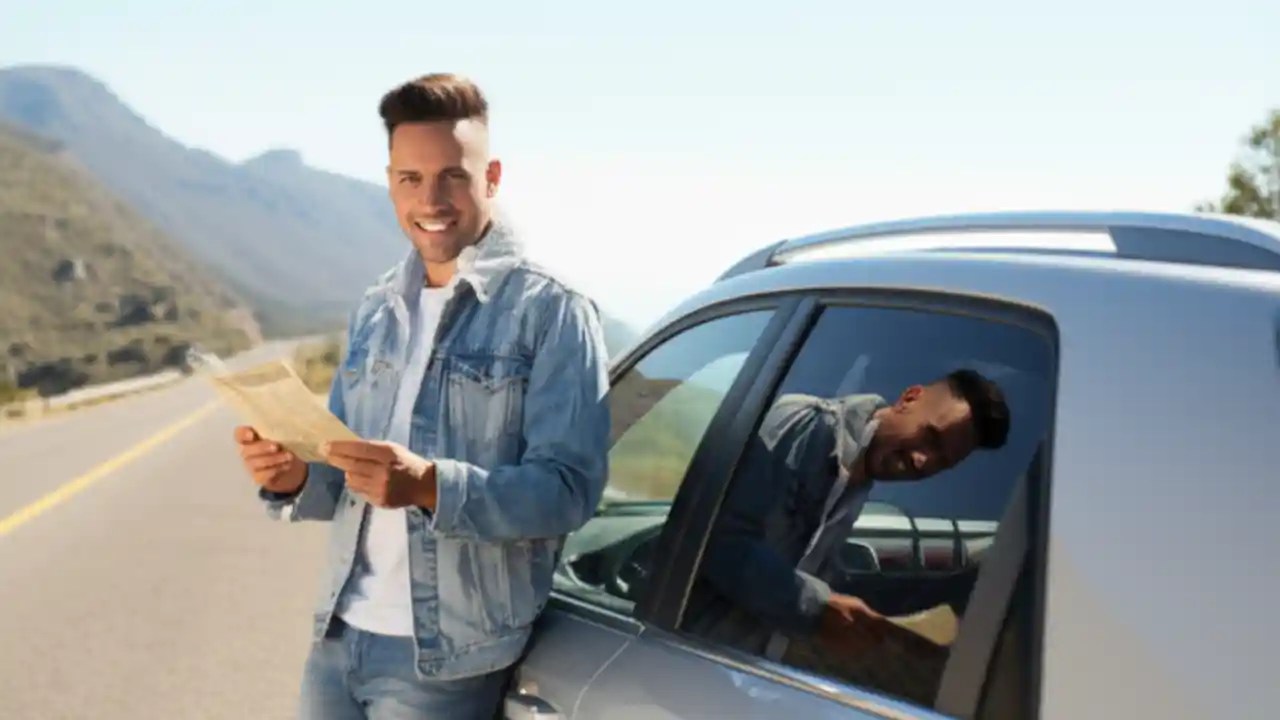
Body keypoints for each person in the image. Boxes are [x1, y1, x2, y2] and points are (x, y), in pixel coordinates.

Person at [232, 73, 611, 720]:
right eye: (411, 178)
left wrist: (432, 485)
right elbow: (341, 474)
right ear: (390, 183)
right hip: (339, 638)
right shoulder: (379, 308)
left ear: (490, 177)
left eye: (452, 177)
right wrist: (293, 476)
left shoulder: (553, 312)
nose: (430, 198)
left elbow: (568, 490)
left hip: (447, 658)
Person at [684, 369, 1010, 662]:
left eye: (944, 461)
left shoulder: (857, 480)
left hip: (743, 670)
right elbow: (719, 542)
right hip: (688, 659)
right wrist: (816, 611)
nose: (925, 461)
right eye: (931, 437)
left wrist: (951, 588)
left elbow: (823, 581)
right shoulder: (803, 424)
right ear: (909, 398)